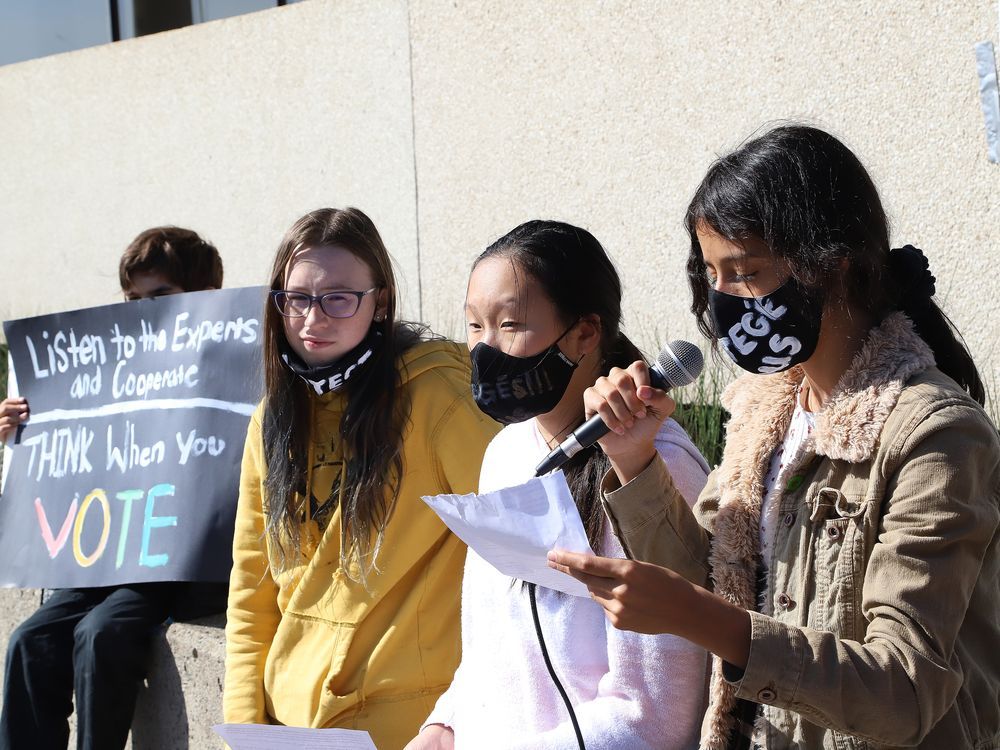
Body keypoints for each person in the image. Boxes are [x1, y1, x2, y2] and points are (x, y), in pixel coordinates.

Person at [548, 125, 1000, 749]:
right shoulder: (763, 411)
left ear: (832, 265)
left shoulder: (933, 432)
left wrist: (698, 615)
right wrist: (633, 458)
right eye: (711, 275)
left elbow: (906, 689)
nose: (725, 300)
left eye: (747, 272)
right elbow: (720, 591)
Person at [408, 220, 710, 750]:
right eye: (475, 326)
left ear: (585, 333)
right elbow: (489, 647)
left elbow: (657, 714)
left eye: (510, 324)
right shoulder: (506, 451)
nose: (484, 349)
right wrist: (445, 724)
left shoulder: (655, 467)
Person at [223, 207, 497, 749]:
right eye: (296, 298)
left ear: (381, 303)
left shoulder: (437, 392)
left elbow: (518, 550)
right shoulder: (271, 418)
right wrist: (243, 728)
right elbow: (251, 587)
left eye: (338, 298)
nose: (312, 319)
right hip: (290, 727)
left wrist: (457, 716)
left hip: (414, 727)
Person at [0, 226, 227, 750]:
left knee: (102, 634)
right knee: (28, 641)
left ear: (208, 298)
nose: (142, 309)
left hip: (178, 564)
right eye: (132, 299)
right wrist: (23, 430)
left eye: (159, 296)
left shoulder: (229, 361)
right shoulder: (113, 363)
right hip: (104, 552)